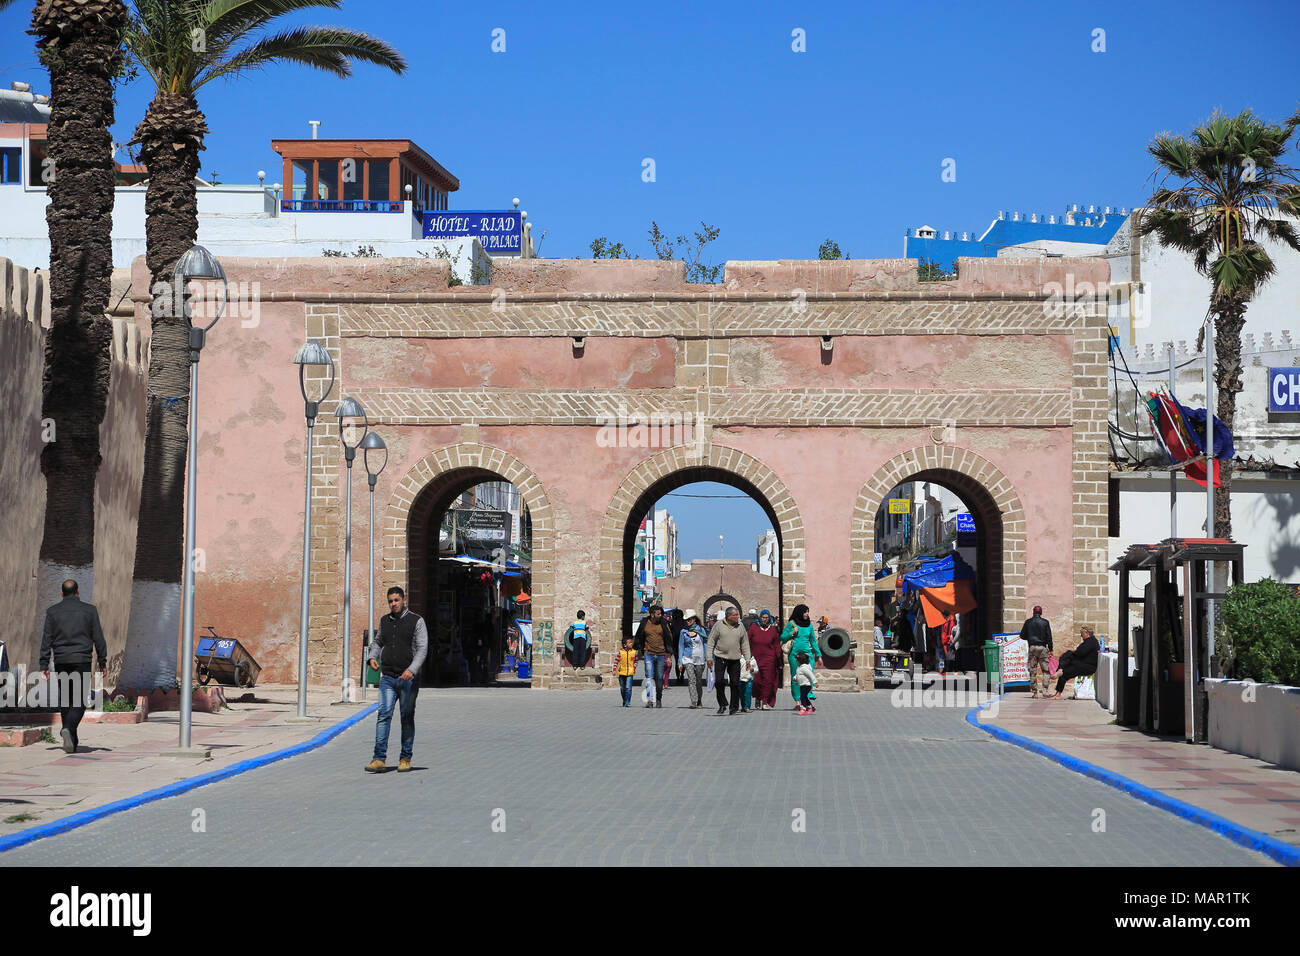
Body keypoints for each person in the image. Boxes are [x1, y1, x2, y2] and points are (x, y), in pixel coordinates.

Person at [39, 579, 107, 754]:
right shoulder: (90, 611)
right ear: (78, 591)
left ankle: (71, 742)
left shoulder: (52, 612)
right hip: (81, 660)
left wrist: (44, 664)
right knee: (80, 700)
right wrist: (102, 661)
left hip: (61, 660)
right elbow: (98, 637)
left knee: (66, 699)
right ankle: (68, 729)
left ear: (62, 593)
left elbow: (47, 640)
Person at [365, 586, 427, 772]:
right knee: (383, 715)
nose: (393, 604)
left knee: (406, 718)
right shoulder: (385, 621)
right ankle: (379, 759)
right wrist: (372, 657)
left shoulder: (417, 621)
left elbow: (422, 648)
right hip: (388, 678)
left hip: (408, 679)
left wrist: (412, 670)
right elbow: (378, 642)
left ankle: (405, 758)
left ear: (403, 600)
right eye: (390, 601)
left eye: (396, 600)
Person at [706, 606, 751, 715]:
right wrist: (709, 657)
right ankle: (722, 704)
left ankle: (734, 707)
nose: (737, 617)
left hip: (735, 658)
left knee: (735, 683)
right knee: (719, 682)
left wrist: (747, 659)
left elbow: (745, 643)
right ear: (728, 616)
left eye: (737, 615)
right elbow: (711, 641)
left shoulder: (740, 626)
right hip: (720, 657)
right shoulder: (718, 625)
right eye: (735, 615)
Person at [781, 604, 822, 708]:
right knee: (796, 678)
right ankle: (798, 701)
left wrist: (818, 655)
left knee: (808, 675)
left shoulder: (809, 625)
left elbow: (813, 641)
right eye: (805, 612)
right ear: (799, 613)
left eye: (808, 611)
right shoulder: (792, 624)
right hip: (795, 656)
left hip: (807, 656)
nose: (807, 614)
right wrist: (791, 633)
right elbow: (782, 637)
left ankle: (808, 695)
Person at [633, 604, 674, 708]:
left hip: (661, 654)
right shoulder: (644, 622)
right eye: (658, 614)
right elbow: (639, 635)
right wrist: (637, 648)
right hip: (649, 653)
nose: (660, 615)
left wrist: (668, 655)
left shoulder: (664, 623)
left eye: (661, 613)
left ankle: (659, 698)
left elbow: (669, 638)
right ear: (652, 614)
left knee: (659, 678)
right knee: (649, 677)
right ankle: (650, 699)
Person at [1045, 626, 1100, 699]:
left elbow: (1081, 653)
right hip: (1083, 665)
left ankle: (1060, 674)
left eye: (1082, 634)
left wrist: (1074, 652)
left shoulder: (1090, 642)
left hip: (1087, 667)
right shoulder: (1091, 641)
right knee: (1067, 658)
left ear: (1087, 633)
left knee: (1065, 668)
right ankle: (1060, 671)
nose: (1081, 635)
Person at [747, 609, 781, 710]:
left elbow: (776, 645)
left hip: (769, 659)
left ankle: (764, 701)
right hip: (756, 658)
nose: (764, 619)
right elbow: (746, 641)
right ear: (760, 618)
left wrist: (779, 660)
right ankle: (758, 697)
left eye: (766, 618)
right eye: (763, 617)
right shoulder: (753, 628)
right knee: (757, 681)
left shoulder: (773, 630)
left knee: (767, 680)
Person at [1020, 604, 1054, 699]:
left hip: (1032, 648)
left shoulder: (1028, 622)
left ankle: (1035, 693)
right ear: (1041, 613)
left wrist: (1030, 637)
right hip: (1042, 648)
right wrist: (1051, 649)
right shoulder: (1045, 622)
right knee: (1046, 671)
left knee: (1032, 671)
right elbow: (1049, 637)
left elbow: (1022, 636)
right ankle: (1045, 690)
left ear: (1033, 612)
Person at [677, 610, 709, 708]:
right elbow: (681, 646)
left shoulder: (701, 630)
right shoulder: (683, 632)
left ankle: (699, 700)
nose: (687, 621)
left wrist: (708, 657)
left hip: (700, 659)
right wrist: (680, 662)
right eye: (686, 620)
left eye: (689, 619)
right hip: (688, 658)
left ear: (694, 619)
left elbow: (705, 643)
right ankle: (694, 701)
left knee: (698, 681)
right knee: (691, 680)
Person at [614, 635, 638, 707]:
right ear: (625, 645)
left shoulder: (634, 652)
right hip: (622, 672)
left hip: (630, 672)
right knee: (622, 688)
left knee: (628, 688)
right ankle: (624, 700)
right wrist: (614, 669)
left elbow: (636, 661)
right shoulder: (621, 652)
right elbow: (616, 661)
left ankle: (628, 701)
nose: (631, 644)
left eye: (631, 642)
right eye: (629, 643)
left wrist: (634, 668)